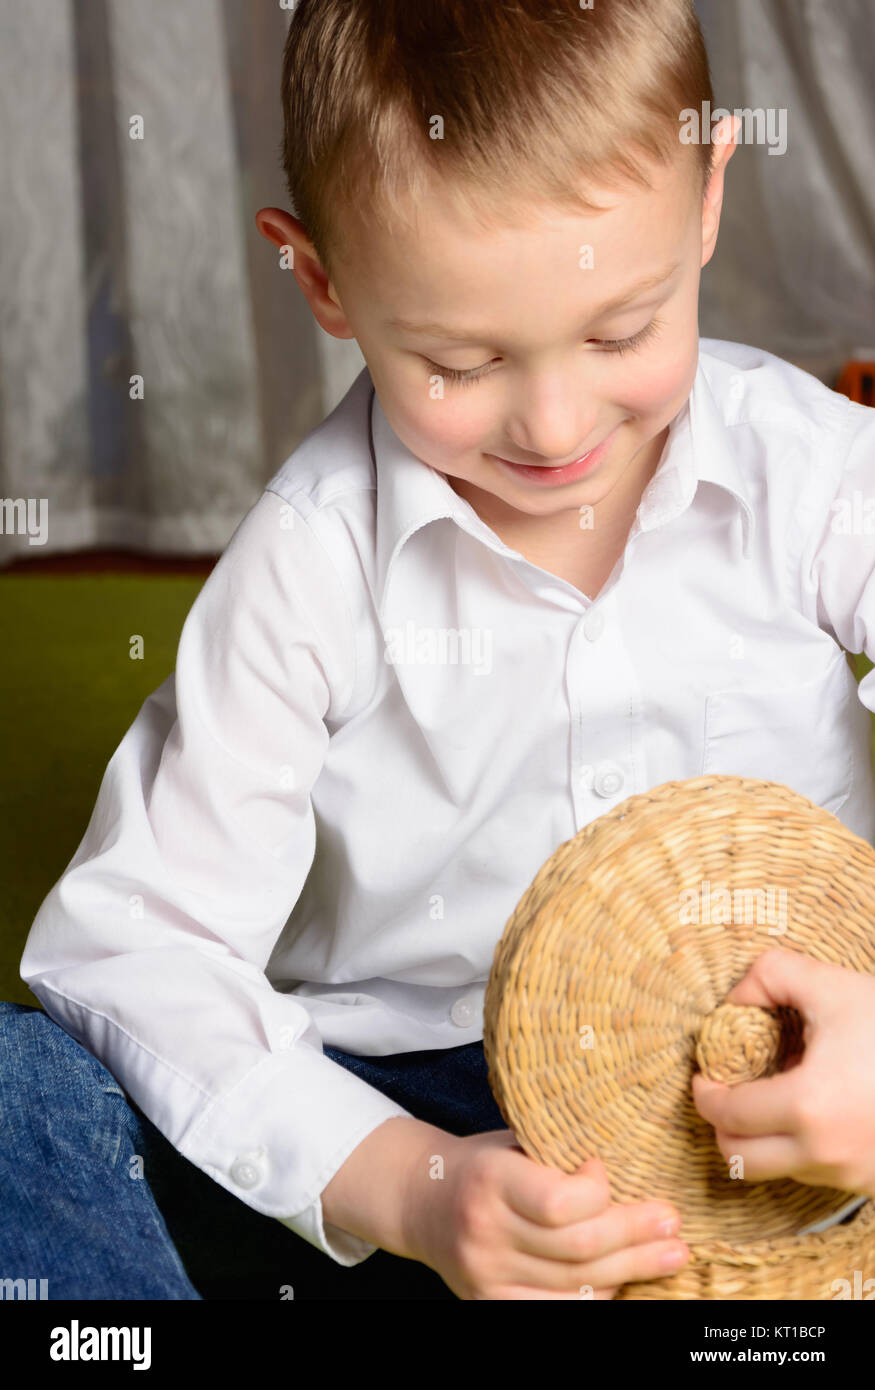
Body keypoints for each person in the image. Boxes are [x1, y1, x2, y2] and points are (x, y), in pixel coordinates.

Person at [6, 0, 875, 1300]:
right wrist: (411, 1184)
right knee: (24, 1102)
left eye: (621, 330)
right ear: (323, 280)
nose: (556, 422)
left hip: (789, 1091)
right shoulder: (313, 558)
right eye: (459, 360)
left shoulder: (812, 472)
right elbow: (131, 942)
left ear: (707, 195)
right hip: (419, 1118)